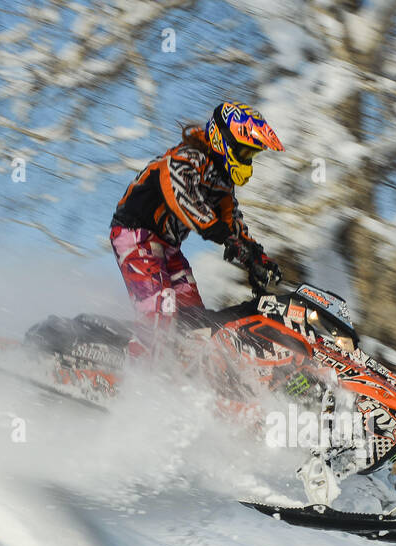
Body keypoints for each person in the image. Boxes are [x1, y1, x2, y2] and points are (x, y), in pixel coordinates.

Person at [110, 101, 284, 361]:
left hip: (167, 247)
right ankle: (136, 379)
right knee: (162, 308)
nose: (248, 159)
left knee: (196, 325)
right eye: (245, 152)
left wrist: (256, 257)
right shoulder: (186, 159)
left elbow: (231, 221)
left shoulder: (222, 180)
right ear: (224, 140)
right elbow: (185, 202)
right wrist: (224, 237)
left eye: (252, 155)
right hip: (135, 236)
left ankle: (185, 386)